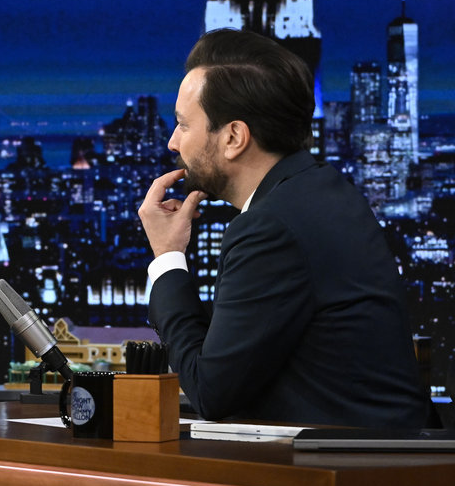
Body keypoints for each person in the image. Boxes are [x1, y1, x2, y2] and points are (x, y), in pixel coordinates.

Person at [137, 29, 428, 428]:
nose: (173, 143)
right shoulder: (320, 190)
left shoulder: (270, 227)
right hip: (372, 452)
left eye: (183, 125)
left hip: (344, 463)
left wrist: (168, 258)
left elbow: (210, 390)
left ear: (234, 137)